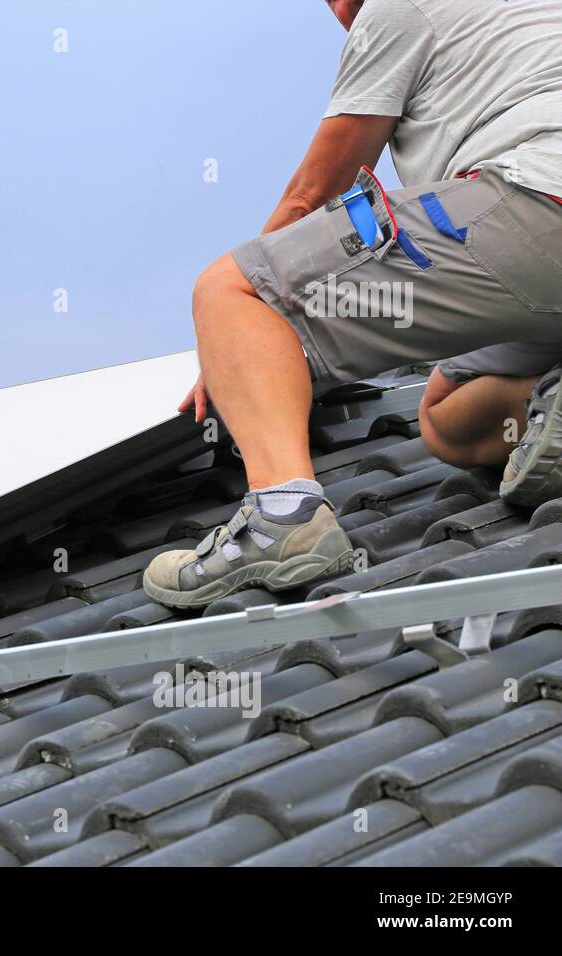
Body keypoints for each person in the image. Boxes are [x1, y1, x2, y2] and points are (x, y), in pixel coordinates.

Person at [143, 0, 562, 609]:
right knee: (444, 414)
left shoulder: (398, 8)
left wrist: (241, 340)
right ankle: (546, 400)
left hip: (534, 203)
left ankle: (282, 518)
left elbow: (316, 190)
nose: (339, 11)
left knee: (230, 290)